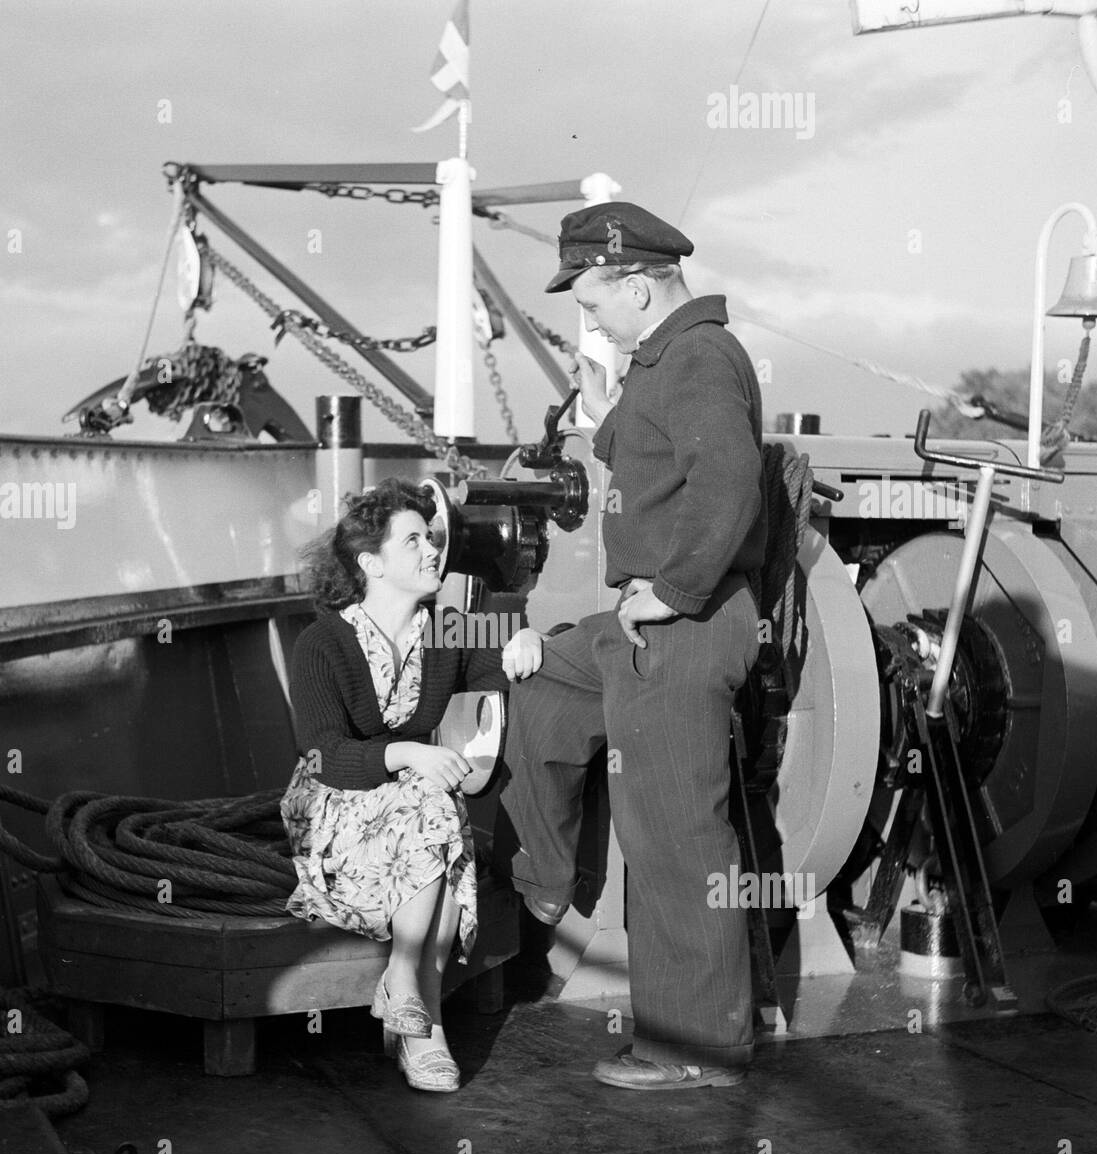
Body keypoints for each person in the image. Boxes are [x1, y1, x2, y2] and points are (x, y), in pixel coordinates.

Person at [498, 201, 767, 1092]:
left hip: (685, 625)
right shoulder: (669, 358)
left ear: (638, 284)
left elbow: (727, 478)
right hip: (648, 619)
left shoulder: (697, 357)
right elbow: (660, 458)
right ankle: (544, 873)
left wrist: (679, 587)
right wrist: (607, 404)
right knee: (542, 692)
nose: (589, 318)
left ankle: (698, 1046)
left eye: (592, 300)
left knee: (675, 837)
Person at [281, 478, 544, 1093]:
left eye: (431, 537)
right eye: (415, 540)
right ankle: (416, 1007)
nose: (433, 550)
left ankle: (411, 1010)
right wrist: (404, 753)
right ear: (371, 563)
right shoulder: (322, 643)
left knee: (432, 807)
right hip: (332, 806)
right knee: (436, 809)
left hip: (408, 807)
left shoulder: (446, 630)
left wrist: (526, 639)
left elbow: (492, 674)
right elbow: (323, 756)